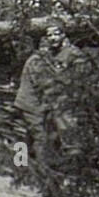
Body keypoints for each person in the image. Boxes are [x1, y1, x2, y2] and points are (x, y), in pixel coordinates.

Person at [15, 21, 80, 161]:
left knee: (32, 136)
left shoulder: (44, 59)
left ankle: (23, 165)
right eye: (49, 36)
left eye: (56, 34)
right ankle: (41, 173)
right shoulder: (37, 61)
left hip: (35, 103)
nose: (52, 39)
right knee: (41, 137)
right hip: (30, 104)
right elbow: (45, 85)